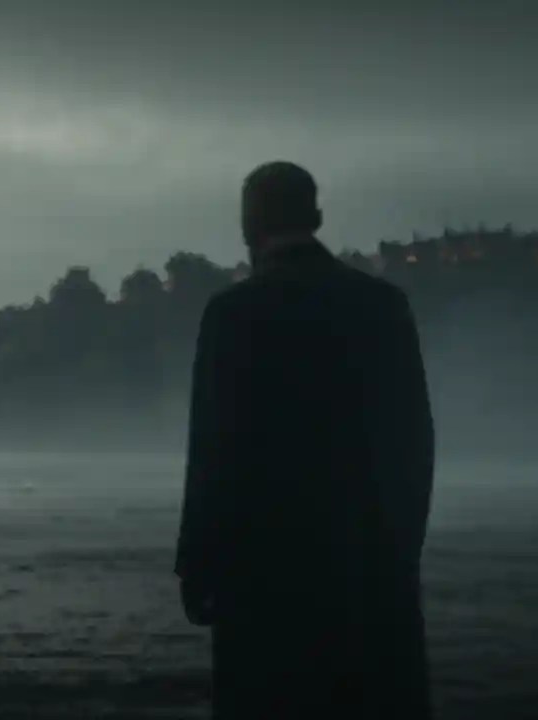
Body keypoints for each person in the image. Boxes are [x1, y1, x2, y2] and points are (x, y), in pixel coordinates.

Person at [175, 161, 435, 718]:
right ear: (316, 216)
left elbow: (213, 452)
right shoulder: (383, 306)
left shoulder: (233, 314)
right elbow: (414, 442)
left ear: (249, 226)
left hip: (263, 577)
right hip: (368, 572)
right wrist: (402, 551)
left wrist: (196, 566)